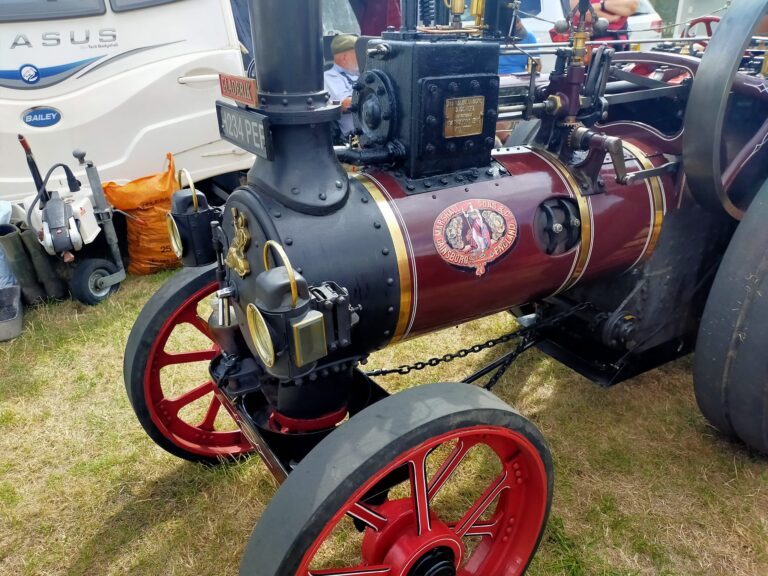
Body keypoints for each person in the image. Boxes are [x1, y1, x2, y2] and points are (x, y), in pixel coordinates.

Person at [324, 34, 360, 140]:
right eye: (357, 52)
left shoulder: (363, 74)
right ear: (345, 57)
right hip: (357, 138)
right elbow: (346, 103)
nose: (362, 56)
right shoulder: (330, 76)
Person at [570, 0, 638, 48]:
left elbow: (632, 6)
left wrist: (600, 6)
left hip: (620, 48)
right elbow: (583, 12)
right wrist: (610, 16)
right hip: (587, 49)